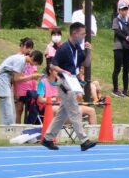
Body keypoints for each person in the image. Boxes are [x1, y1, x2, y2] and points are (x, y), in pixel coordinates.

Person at [40, 22, 98, 151]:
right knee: (74, 110)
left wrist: (88, 51)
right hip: (64, 82)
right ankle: (83, 140)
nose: (83, 37)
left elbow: (86, 63)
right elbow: (52, 66)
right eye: (82, 34)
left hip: (73, 81)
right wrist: (62, 71)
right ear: (74, 33)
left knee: (62, 113)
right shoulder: (64, 48)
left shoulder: (78, 48)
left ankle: (48, 138)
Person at [0, 39, 40, 127]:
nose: (33, 65)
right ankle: (8, 131)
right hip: (3, 79)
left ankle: (7, 131)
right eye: (35, 63)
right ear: (34, 60)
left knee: (7, 107)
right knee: (7, 108)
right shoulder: (21, 60)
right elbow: (16, 78)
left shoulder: (21, 59)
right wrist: (32, 77)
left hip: (6, 80)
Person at [111, 0, 129, 97]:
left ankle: (126, 90)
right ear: (119, 10)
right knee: (117, 68)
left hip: (128, 47)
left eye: (125, 9)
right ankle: (115, 89)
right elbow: (117, 32)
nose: (124, 11)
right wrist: (127, 37)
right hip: (118, 47)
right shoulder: (116, 20)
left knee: (126, 69)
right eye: (122, 9)